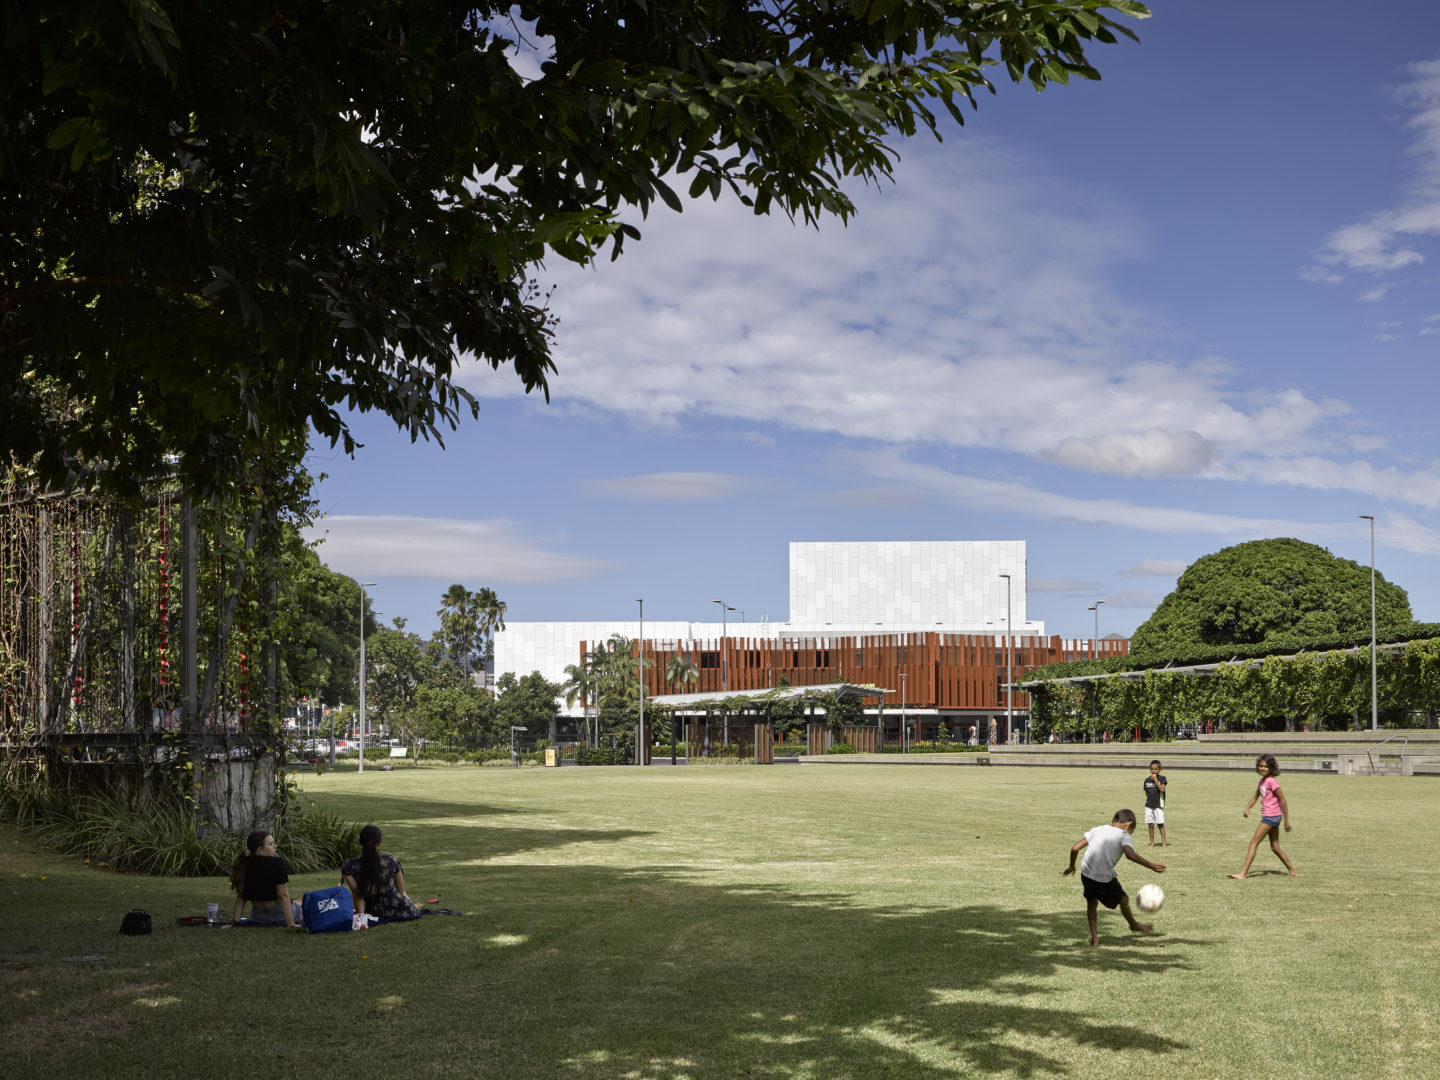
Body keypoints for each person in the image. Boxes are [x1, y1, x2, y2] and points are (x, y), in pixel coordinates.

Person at [1062, 808, 1165, 946]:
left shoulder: (1097, 829)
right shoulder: (1123, 835)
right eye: (1131, 831)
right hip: (1103, 878)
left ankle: (1095, 939)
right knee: (1123, 899)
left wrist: (1071, 866)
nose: (1130, 834)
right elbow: (1130, 854)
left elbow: (1074, 848)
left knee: (1092, 903)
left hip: (1086, 874)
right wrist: (1151, 865)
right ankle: (1133, 924)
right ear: (1128, 825)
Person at [1228, 753, 1297, 879]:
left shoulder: (1272, 781)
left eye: (1265, 766)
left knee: (1253, 843)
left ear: (1271, 768)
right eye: (1260, 766)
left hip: (1271, 817)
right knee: (1275, 847)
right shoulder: (1262, 781)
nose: (1262, 768)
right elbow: (1255, 796)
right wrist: (1248, 808)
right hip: (1273, 816)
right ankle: (1292, 871)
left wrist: (1287, 821)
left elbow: (1283, 800)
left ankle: (1243, 874)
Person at [341, 824, 422, 923]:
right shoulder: (391, 860)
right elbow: (401, 892)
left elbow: (357, 894)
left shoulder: (349, 865)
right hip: (401, 910)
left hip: (374, 913)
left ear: (360, 843)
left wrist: (361, 917)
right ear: (379, 844)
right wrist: (412, 907)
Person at [228, 829, 301, 927]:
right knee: (307, 905)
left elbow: (241, 897)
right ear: (259, 850)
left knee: (298, 902)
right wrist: (291, 923)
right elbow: (283, 895)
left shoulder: (245, 864)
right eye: (271, 844)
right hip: (280, 916)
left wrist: (235, 922)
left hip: (259, 918)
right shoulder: (276, 863)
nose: (275, 846)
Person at [1143, 759, 1168, 847]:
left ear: (1160, 769)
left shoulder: (1162, 779)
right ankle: (1152, 842)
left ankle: (1163, 842)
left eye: (1156, 769)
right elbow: (1146, 792)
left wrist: (1155, 780)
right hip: (1149, 805)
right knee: (1150, 824)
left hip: (1158, 805)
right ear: (1149, 769)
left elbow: (1162, 789)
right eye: (1152, 769)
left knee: (1160, 824)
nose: (1154, 771)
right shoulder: (1147, 780)